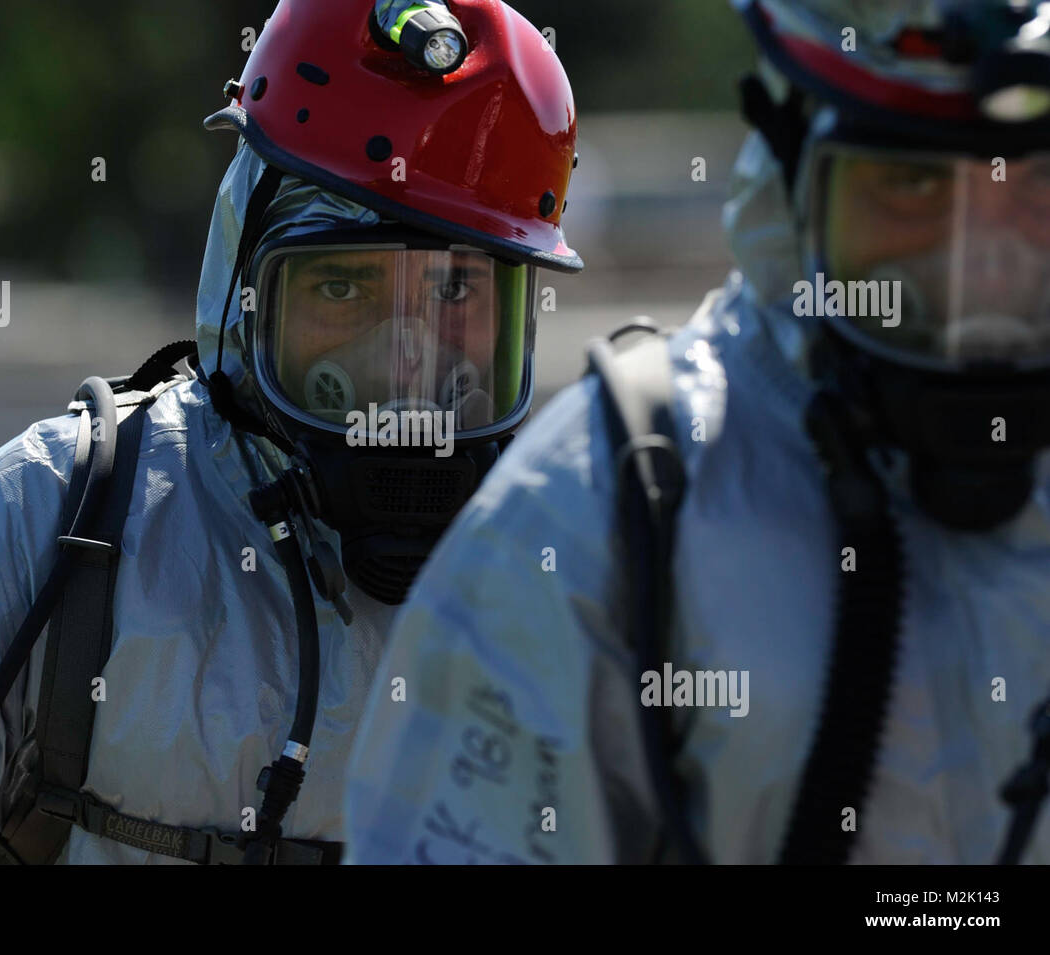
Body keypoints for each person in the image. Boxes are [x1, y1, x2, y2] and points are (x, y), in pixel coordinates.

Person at [0, 0, 581, 864]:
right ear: (240, 294)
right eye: (342, 290)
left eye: (456, 294)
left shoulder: (570, 589)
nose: (406, 372)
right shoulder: (25, 540)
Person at [344, 0, 1050, 865]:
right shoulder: (588, 516)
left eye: (1032, 182)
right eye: (909, 185)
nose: (979, 260)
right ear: (791, 182)